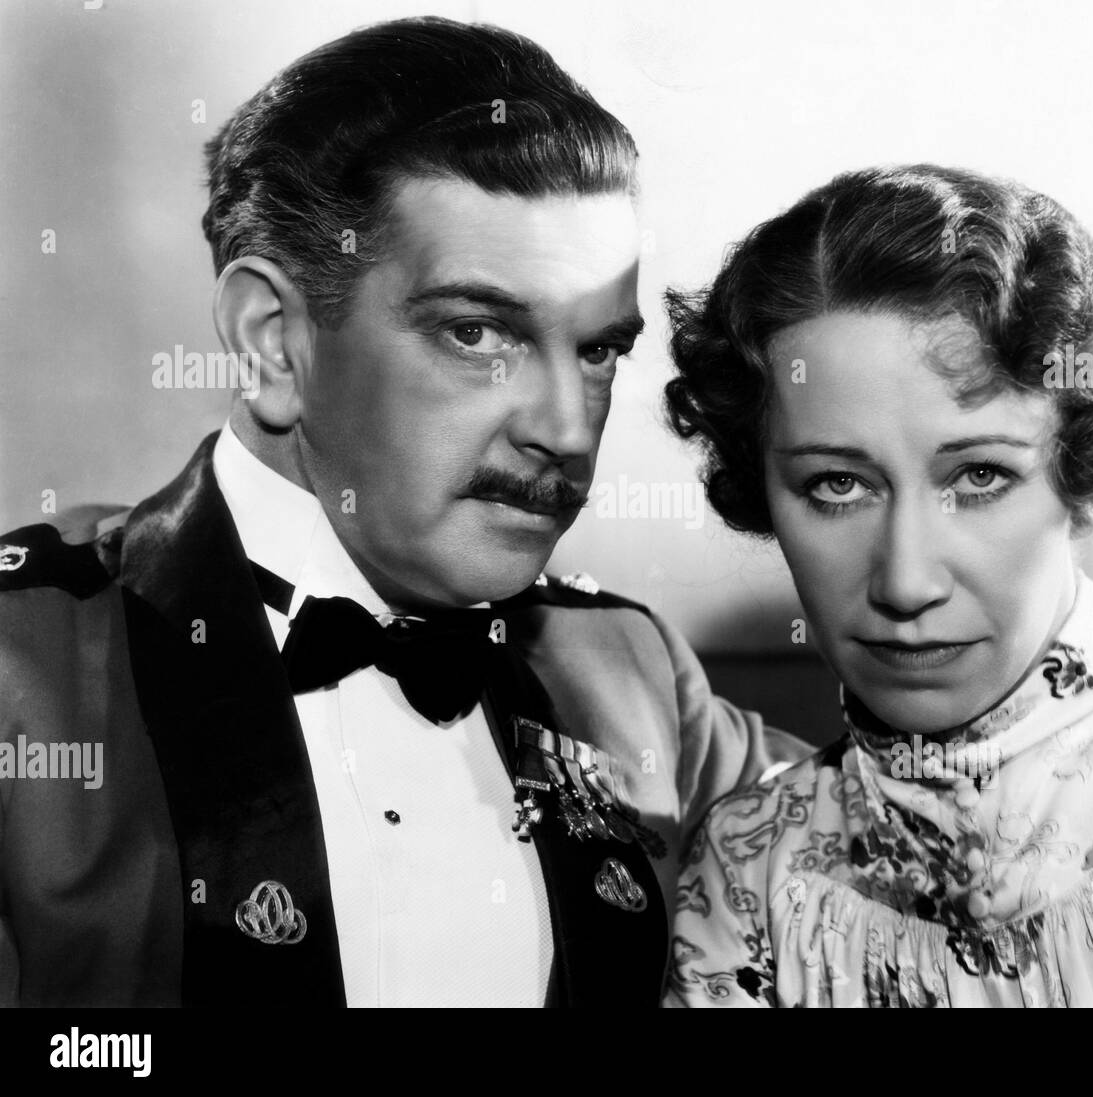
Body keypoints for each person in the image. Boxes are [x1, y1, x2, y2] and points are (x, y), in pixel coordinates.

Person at [0, 16, 804, 1008]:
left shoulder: (626, 669)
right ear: (273, 343)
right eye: (476, 332)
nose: (563, 425)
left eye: (596, 350)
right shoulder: (24, 666)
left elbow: (927, 834)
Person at [661, 164, 1093, 1007]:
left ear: (1084, 469)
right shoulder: (752, 863)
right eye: (837, 486)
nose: (906, 579)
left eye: (980, 477)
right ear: (762, 490)